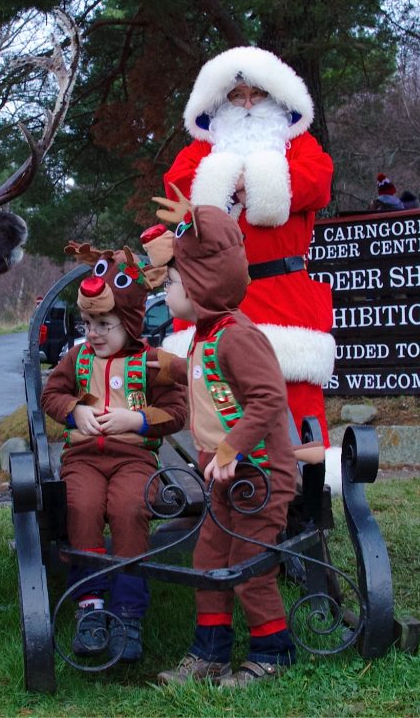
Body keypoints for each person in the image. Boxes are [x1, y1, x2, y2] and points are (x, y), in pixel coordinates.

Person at [146, 193, 297, 687]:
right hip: (224, 474)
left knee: (248, 563)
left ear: (201, 282)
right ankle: (208, 653)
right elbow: (208, 379)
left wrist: (231, 447)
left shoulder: (238, 336)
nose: (166, 293)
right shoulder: (208, 335)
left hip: (260, 473)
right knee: (210, 559)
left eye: (172, 282)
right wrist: (171, 367)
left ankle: (273, 654)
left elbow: (268, 397)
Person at [163, 46, 336, 444]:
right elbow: (176, 186)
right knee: (211, 393)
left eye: (256, 95)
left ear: (276, 99)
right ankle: (215, 479)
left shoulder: (299, 146)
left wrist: (255, 179)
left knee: (295, 394)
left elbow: (318, 180)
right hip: (212, 299)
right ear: (218, 104)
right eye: (236, 96)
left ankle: (307, 488)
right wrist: (223, 176)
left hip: (283, 295)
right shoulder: (203, 150)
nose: (246, 104)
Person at [41, 241, 188, 663]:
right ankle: (90, 605)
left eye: (106, 323)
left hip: (133, 458)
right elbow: (53, 394)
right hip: (84, 458)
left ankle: (128, 610)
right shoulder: (76, 358)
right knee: (81, 508)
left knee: (129, 509)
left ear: (130, 322)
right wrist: (73, 413)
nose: (95, 333)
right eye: (89, 323)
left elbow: (177, 411)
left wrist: (136, 421)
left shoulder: (151, 362)